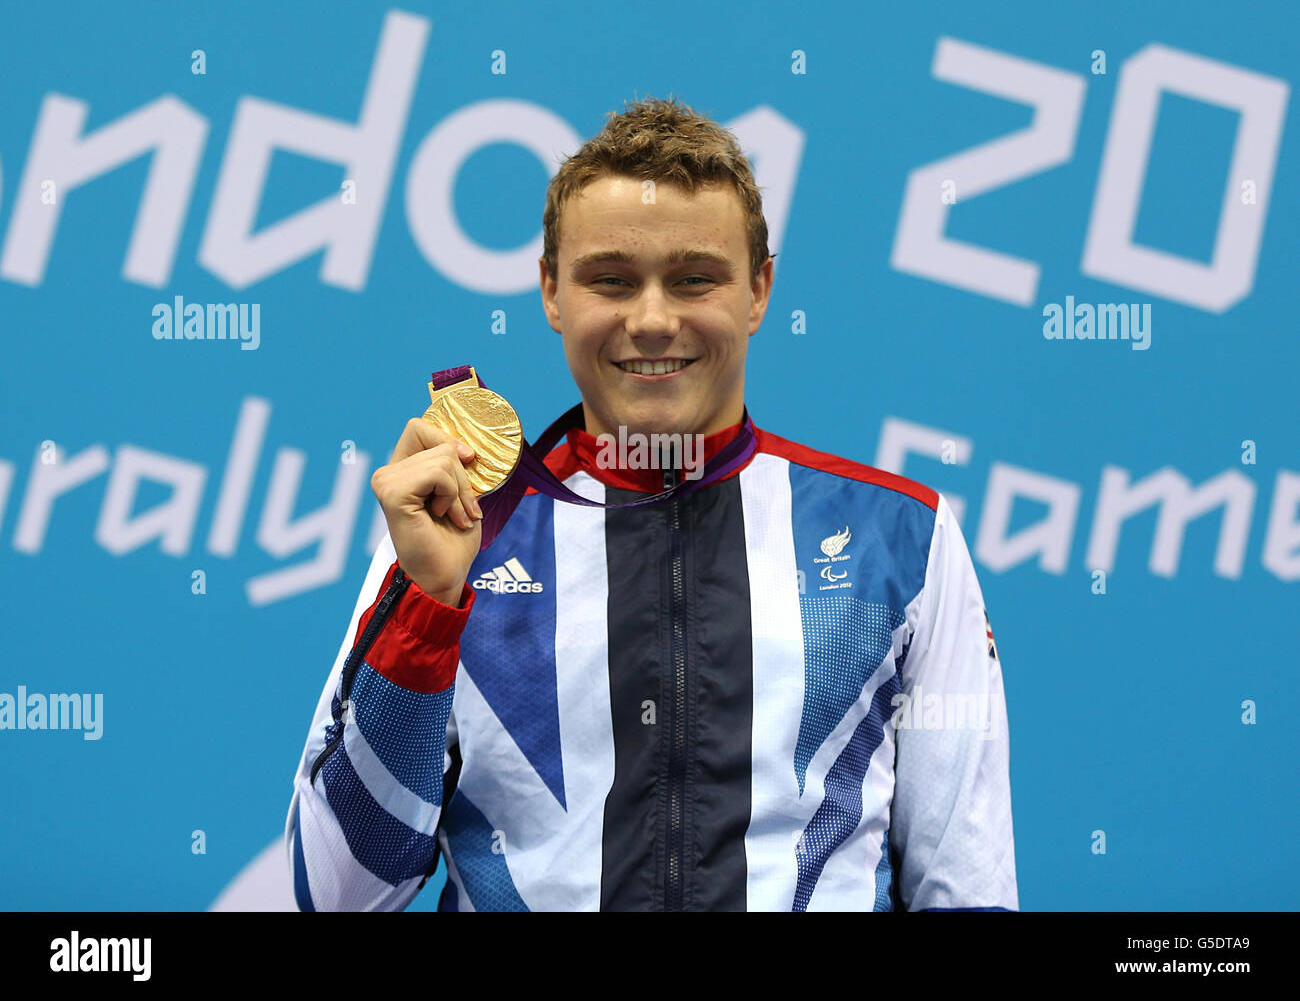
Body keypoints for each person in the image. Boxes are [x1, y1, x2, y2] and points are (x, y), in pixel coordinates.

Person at [284, 96, 1018, 912]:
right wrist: (425, 607)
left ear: (759, 290)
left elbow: (968, 890)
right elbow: (337, 895)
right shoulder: (456, 535)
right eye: (611, 280)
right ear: (551, 291)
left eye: (695, 278)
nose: (654, 320)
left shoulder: (902, 540)